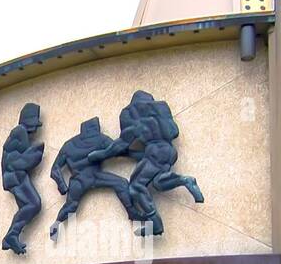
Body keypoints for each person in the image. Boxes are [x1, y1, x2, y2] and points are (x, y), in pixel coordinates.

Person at [87, 90, 203, 235]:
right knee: (159, 183)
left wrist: (101, 154)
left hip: (154, 151)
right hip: (169, 151)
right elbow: (174, 132)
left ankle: (155, 224)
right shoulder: (161, 110)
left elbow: (122, 143)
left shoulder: (131, 113)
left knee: (135, 187)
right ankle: (185, 180)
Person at [48, 117, 141, 240]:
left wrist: (62, 185)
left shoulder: (69, 145)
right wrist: (140, 155)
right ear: (96, 128)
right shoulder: (100, 139)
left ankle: (56, 224)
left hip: (78, 180)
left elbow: (55, 169)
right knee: (122, 183)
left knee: (71, 205)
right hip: (94, 176)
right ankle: (132, 212)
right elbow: (119, 151)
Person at [0, 103, 45, 253]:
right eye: (34, 123)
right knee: (34, 204)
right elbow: (13, 161)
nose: (36, 128)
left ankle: (11, 237)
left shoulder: (20, 133)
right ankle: (11, 235)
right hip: (15, 176)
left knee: (27, 207)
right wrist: (35, 154)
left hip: (15, 176)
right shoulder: (20, 132)